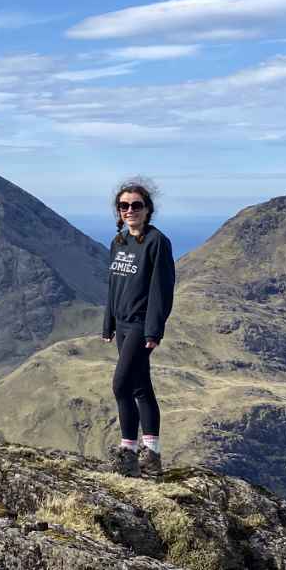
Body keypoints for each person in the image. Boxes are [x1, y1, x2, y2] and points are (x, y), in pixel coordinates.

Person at [101, 176, 175, 478]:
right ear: (118, 211)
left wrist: (153, 330)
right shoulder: (118, 242)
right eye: (123, 206)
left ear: (147, 209)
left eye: (136, 205)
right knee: (140, 387)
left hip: (141, 325)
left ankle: (130, 450)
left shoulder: (157, 242)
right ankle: (150, 455)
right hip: (123, 323)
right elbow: (113, 286)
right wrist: (109, 322)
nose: (129, 210)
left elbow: (162, 288)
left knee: (120, 385)